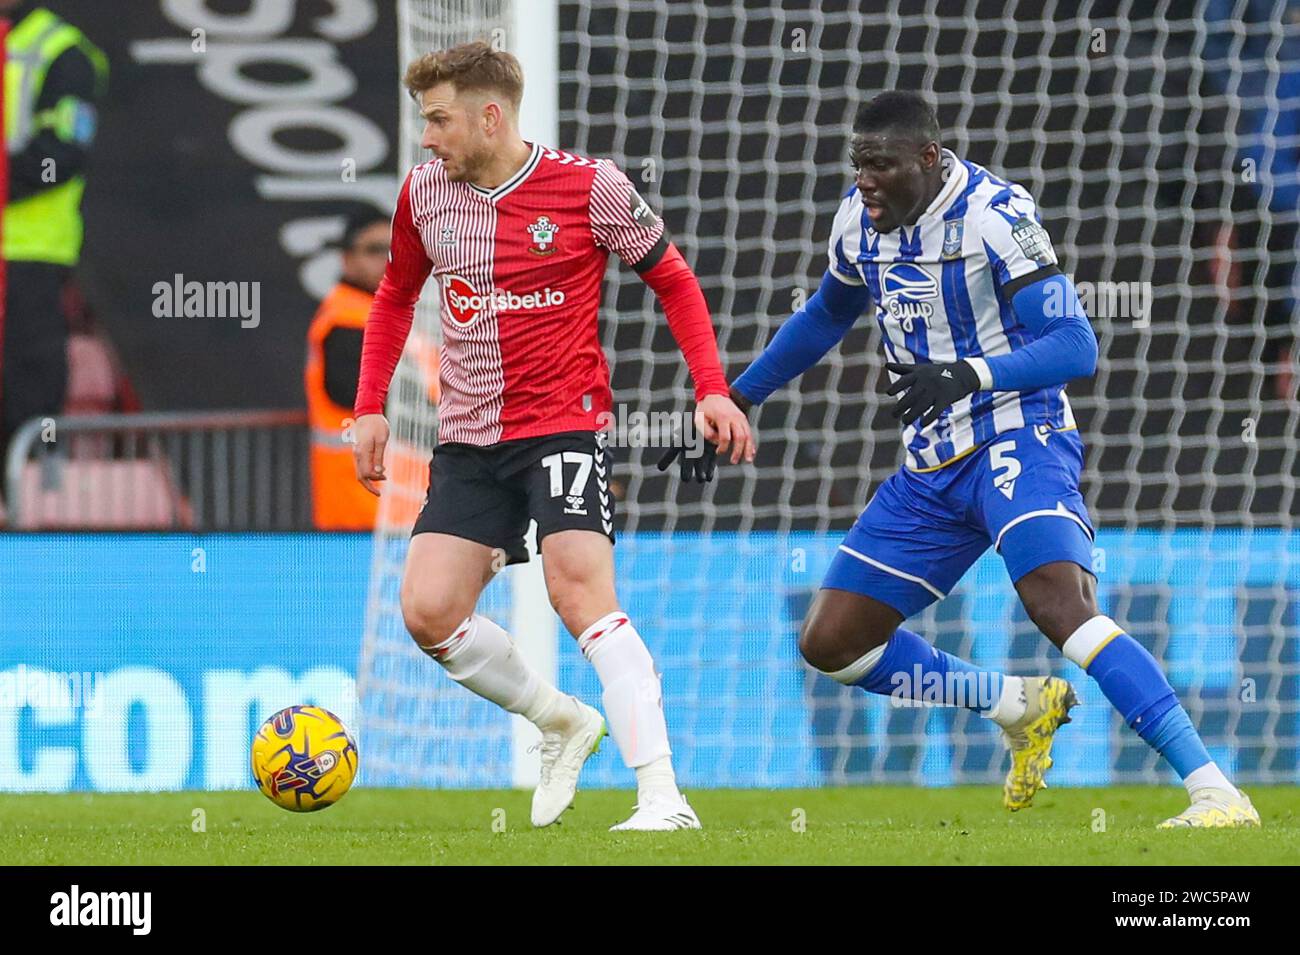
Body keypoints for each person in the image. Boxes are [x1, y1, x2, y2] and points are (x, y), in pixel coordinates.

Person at [718, 91, 1257, 829]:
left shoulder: (994, 218)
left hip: (1016, 432)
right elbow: (825, 313)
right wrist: (740, 395)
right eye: (857, 165)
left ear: (928, 159)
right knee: (831, 643)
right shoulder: (858, 221)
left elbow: (1076, 345)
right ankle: (1015, 705)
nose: (864, 180)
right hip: (932, 466)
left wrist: (971, 373)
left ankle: (1214, 789)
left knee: (1060, 606)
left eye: (880, 165)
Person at [351, 41, 753, 830]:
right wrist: (371, 405)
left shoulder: (590, 187)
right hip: (467, 439)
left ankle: (662, 796)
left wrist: (712, 387)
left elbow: (671, 276)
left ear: (490, 115)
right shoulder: (423, 195)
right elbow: (396, 294)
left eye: (438, 120)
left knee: (578, 586)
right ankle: (561, 720)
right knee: (428, 612)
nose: (426, 137)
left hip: (563, 426)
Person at [0, 0, 107, 466]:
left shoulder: (60, 50)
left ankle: (23, 504)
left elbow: (61, 154)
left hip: (27, 249)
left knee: (26, 381)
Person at [306, 213, 407, 531]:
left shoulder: (381, 313)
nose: (386, 260)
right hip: (361, 505)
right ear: (347, 259)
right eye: (375, 250)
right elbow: (355, 393)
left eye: (393, 250)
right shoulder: (348, 319)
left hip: (393, 499)